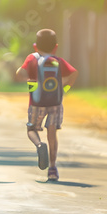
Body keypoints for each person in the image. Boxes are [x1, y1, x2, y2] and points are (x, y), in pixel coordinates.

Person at [15, 28, 78, 182]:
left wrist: (31, 82)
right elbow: (73, 73)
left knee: (31, 129)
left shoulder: (32, 58)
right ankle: (52, 168)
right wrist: (65, 89)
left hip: (36, 103)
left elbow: (19, 73)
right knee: (52, 134)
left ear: (35, 46)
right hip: (56, 102)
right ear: (55, 47)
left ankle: (38, 144)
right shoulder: (57, 61)